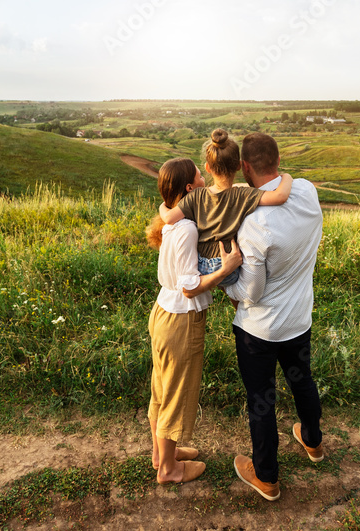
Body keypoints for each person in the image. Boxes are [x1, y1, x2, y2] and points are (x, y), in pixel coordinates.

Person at [223, 132, 325, 502]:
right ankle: (313, 442)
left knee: (261, 399)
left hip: (260, 329)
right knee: (303, 382)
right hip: (299, 320)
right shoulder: (307, 192)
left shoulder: (254, 225)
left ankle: (267, 476)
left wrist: (223, 283)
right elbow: (290, 181)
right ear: (279, 161)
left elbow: (250, 291)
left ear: (245, 167)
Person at [145, 157, 243, 484]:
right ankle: (170, 471)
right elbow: (189, 288)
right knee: (176, 393)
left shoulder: (173, 218)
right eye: (202, 177)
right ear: (190, 188)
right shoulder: (187, 228)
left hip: (162, 312)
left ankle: (163, 455)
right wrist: (226, 269)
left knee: (162, 387)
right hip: (182, 319)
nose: (206, 181)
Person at [159, 129, 293, 289]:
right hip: (228, 267)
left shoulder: (197, 195)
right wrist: (287, 177)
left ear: (208, 167)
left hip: (201, 266)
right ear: (238, 166)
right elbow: (280, 196)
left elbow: (168, 218)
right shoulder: (243, 195)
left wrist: (163, 205)